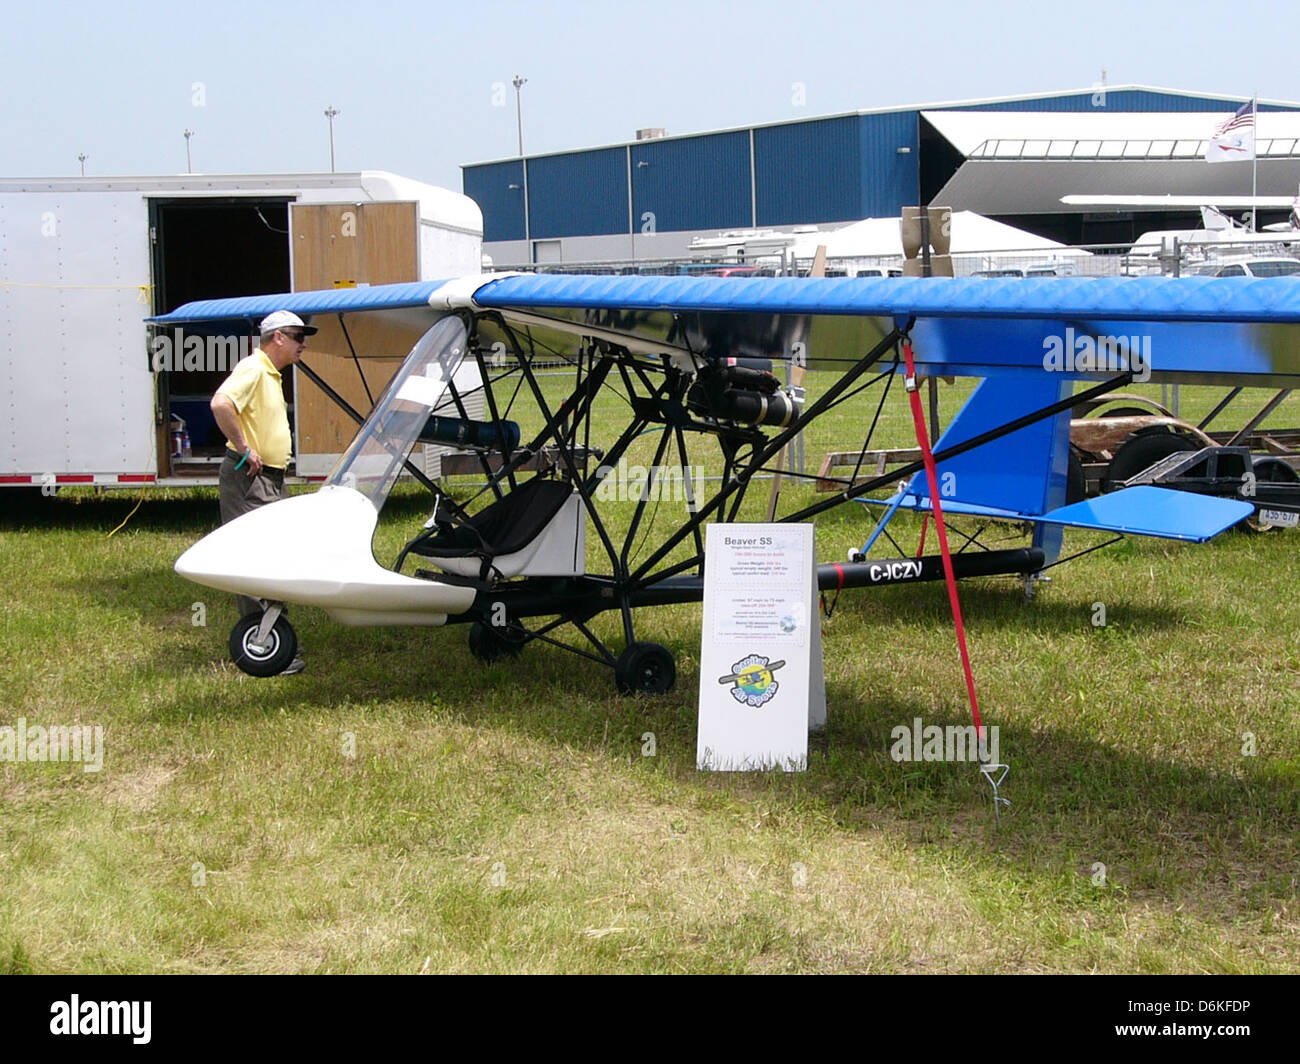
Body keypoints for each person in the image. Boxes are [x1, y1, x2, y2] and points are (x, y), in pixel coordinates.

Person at [210, 309, 317, 674]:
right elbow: (220, 403)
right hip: (250, 478)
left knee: (275, 555)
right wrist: (243, 447)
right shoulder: (254, 369)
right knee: (255, 558)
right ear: (278, 337)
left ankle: (274, 635)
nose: (304, 344)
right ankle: (263, 645)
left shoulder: (271, 374)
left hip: (269, 478)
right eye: (298, 336)